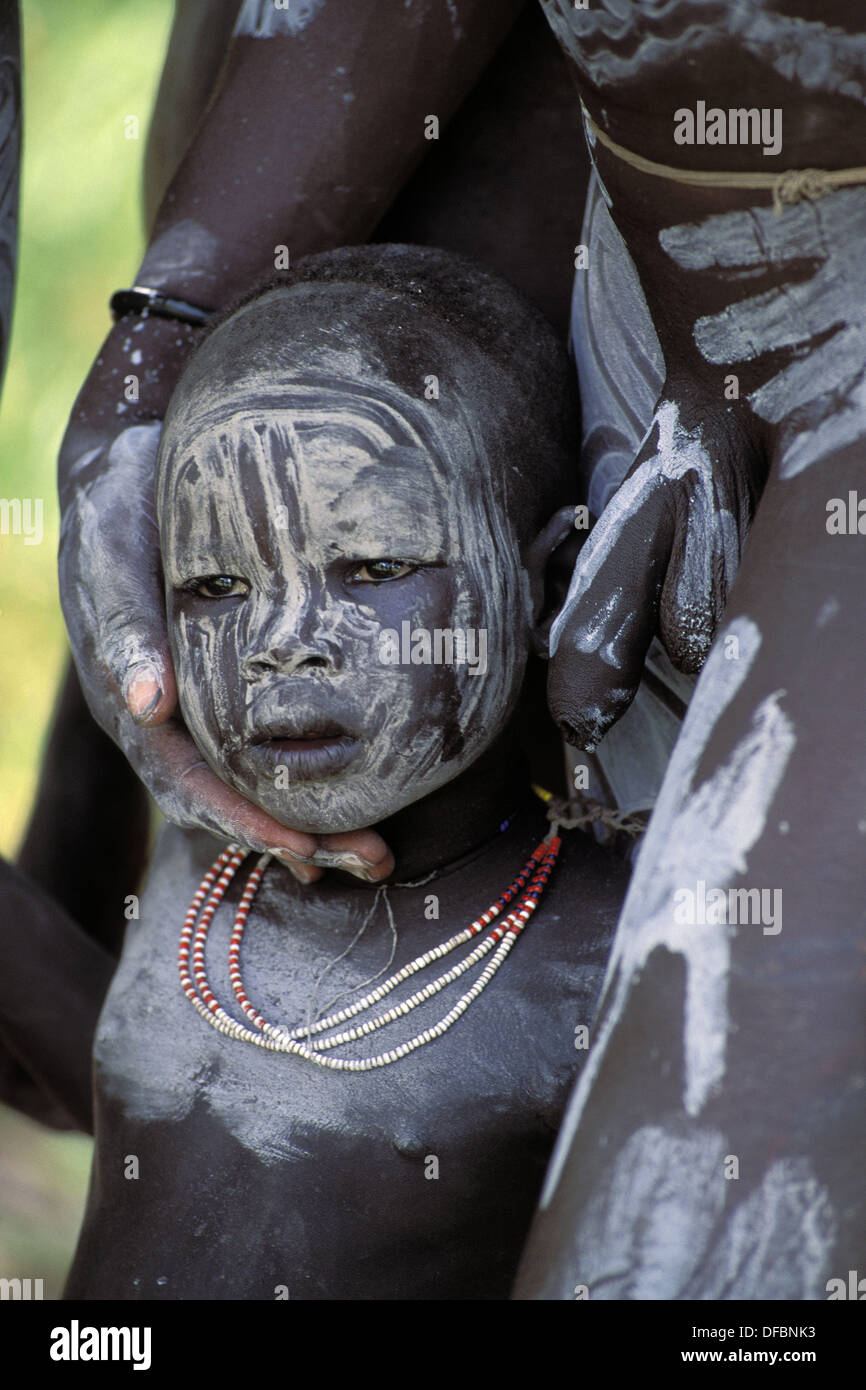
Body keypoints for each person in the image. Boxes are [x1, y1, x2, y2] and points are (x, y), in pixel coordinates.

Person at [61, 244, 630, 1300]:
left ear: (550, 586)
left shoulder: (605, 956)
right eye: (216, 583)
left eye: (374, 568)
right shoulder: (194, 885)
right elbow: (89, 1086)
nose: (284, 640)